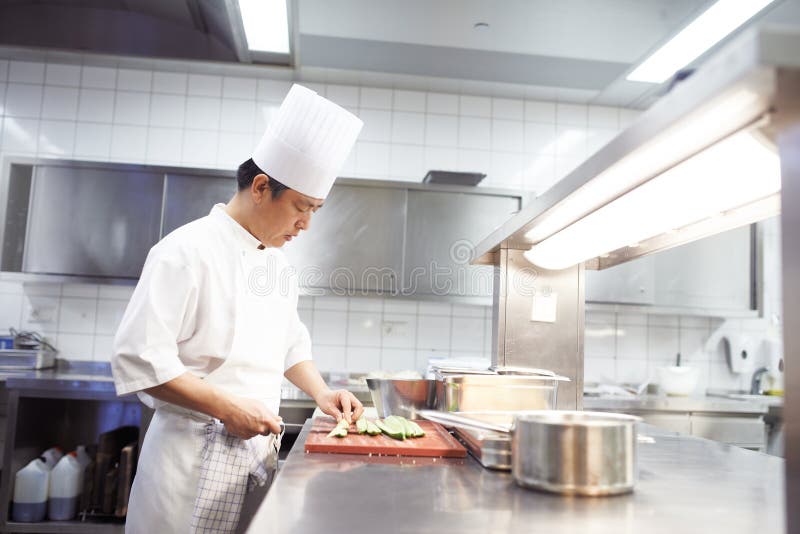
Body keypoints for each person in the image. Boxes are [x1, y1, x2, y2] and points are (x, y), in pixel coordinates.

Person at [111, 84, 364, 533]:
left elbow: (290, 345)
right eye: (302, 208)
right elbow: (140, 358)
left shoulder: (278, 266)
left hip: (252, 461)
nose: (306, 224)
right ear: (262, 187)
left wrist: (322, 394)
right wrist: (227, 407)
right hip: (186, 467)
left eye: (316, 211)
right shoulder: (185, 251)